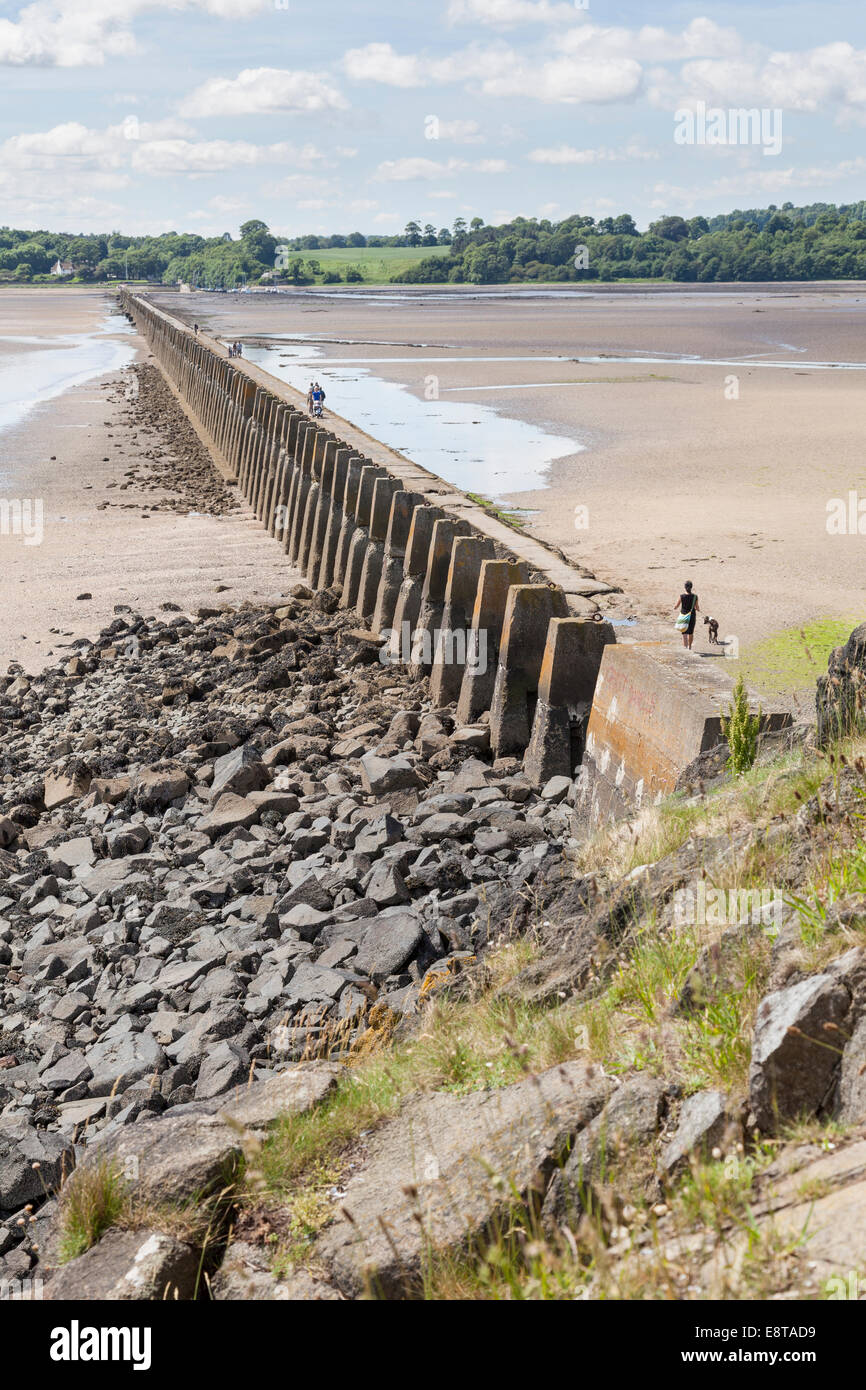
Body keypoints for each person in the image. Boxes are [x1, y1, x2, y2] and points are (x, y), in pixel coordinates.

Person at [674, 579, 699, 650]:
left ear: (685, 587)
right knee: (690, 632)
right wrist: (698, 609)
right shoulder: (695, 597)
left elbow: (676, 606)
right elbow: (697, 607)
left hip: (683, 616)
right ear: (691, 587)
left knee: (684, 633)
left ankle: (685, 647)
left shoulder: (682, 596)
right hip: (692, 616)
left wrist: (674, 607)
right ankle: (690, 647)